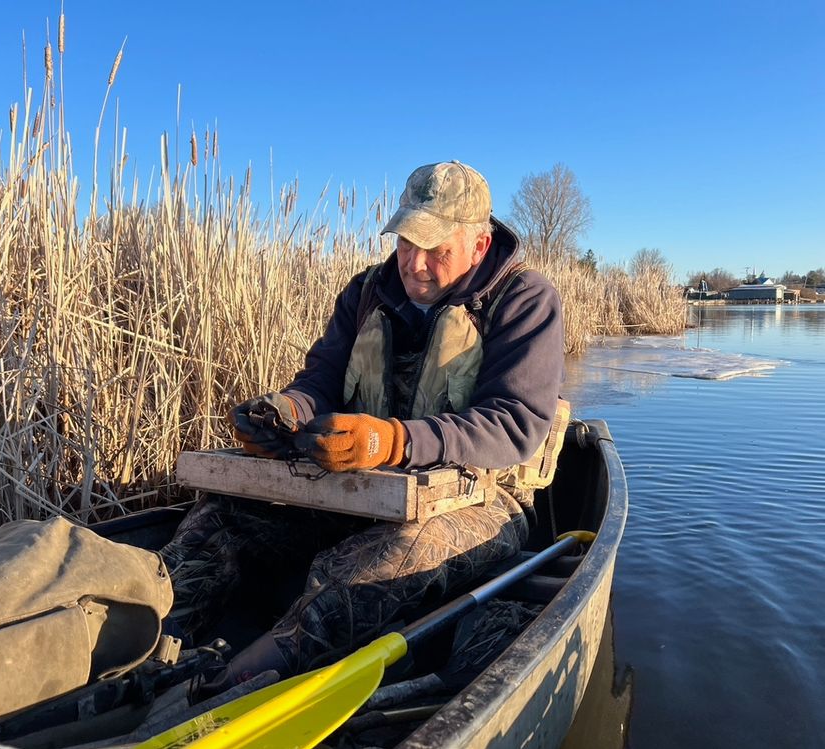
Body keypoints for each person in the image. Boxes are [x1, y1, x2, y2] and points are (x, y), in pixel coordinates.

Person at [159, 160, 566, 692]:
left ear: (480, 246)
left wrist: (392, 441)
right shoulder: (366, 292)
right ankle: (148, 648)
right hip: (357, 492)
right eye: (404, 244)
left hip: (483, 502)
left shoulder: (525, 299)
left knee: (390, 557)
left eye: (436, 249)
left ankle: (231, 684)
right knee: (218, 518)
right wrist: (287, 414)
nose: (414, 265)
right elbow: (320, 380)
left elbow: (514, 424)